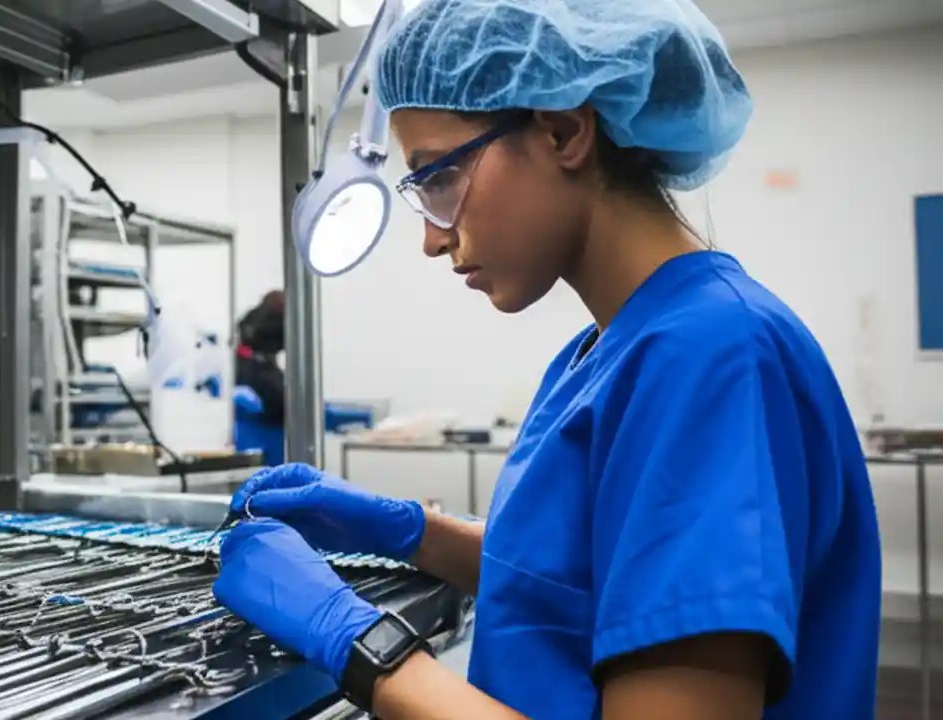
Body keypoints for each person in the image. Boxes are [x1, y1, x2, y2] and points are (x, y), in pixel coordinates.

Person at [212, 1, 882, 719]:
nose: (433, 241)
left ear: (563, 131)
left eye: (437, 178)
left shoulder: (711, 356)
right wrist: (413, 533)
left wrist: (357, 644)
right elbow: (584, 581)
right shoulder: (604, 350)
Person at [234, 290, 287, 426]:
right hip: (255, 366)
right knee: (281, 398)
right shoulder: (276, 319)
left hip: (250, 363)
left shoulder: (254, 315)